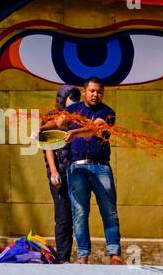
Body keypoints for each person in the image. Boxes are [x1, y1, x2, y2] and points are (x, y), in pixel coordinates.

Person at [66, 78, 123, 265]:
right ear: (84, 91)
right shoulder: (73, 110)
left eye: (99, 92)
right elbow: (58, 122)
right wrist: (41, 129)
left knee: (109, 211)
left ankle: (114, 254)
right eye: (92, 91)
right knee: (80, 213)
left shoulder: (108, 113)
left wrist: (74, 132)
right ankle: (82, 255)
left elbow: (93, 128)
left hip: (101, 167)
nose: (95, 95)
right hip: (76, 167)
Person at [40, 84, 81, 263]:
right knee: (63, 215)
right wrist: (54, 171)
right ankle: (63, 257)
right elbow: (48, 145)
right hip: (59, 173)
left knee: (78, 215)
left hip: (77, 172)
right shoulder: (52, 117)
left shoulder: (80, 117)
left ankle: (81, 255)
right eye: (71, 100)